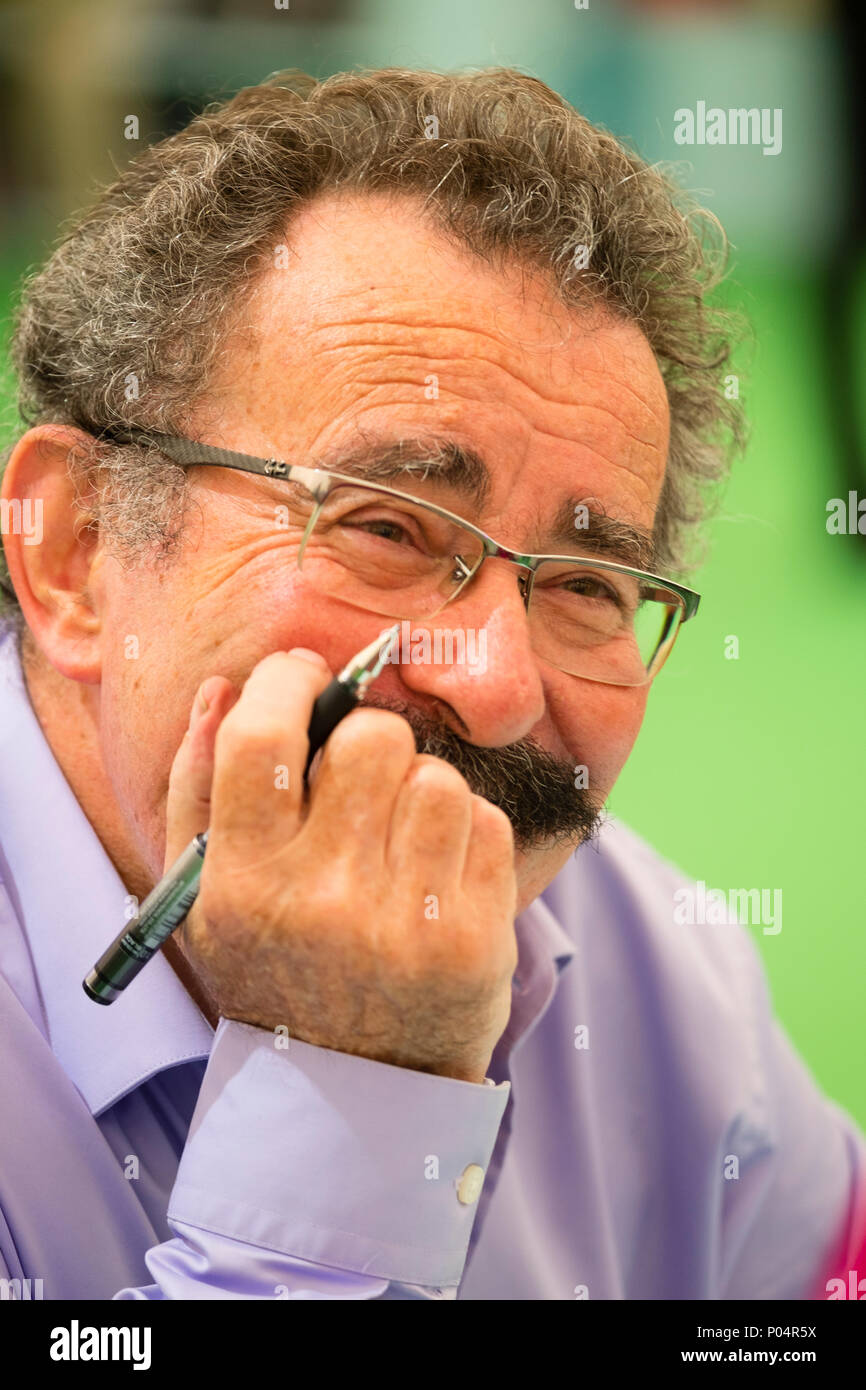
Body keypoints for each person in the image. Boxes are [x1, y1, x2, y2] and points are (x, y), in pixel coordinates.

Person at [0, 66, 863, 1301]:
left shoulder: (651, 973)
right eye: (390, 528)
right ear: (75, 549)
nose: (500, 686)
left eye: (582, 589)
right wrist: (356, 1097)